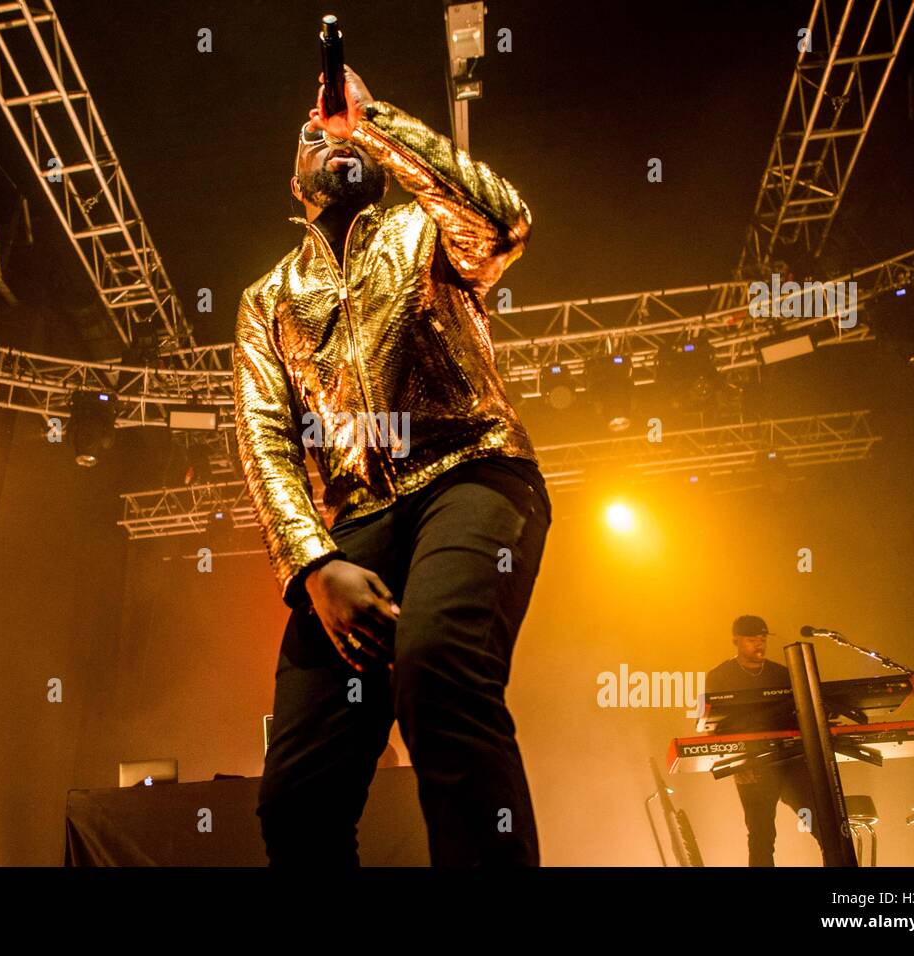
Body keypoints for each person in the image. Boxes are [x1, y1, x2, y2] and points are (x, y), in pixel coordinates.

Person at [235, 65, 550, 866]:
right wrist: (312, 565)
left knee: (438, 669)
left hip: (471, 473)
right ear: (294, 180)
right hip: (353, 527)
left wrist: (369, 117)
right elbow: (264, 438)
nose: (333, 142)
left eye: (345, 137)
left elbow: (504, 218)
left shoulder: (425, 231)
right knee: (296, 794)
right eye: (317, 137)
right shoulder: (267, 298)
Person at [707, 615, 823, 867]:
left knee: (821, 825)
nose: (759, 645)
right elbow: (714, 728)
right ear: (735, 641)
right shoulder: (719, 676)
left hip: (791, 761)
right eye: (752, 640)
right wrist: (738, 763)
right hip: (753, 764)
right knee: (761, 834)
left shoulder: (782, 674)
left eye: (762, 640)